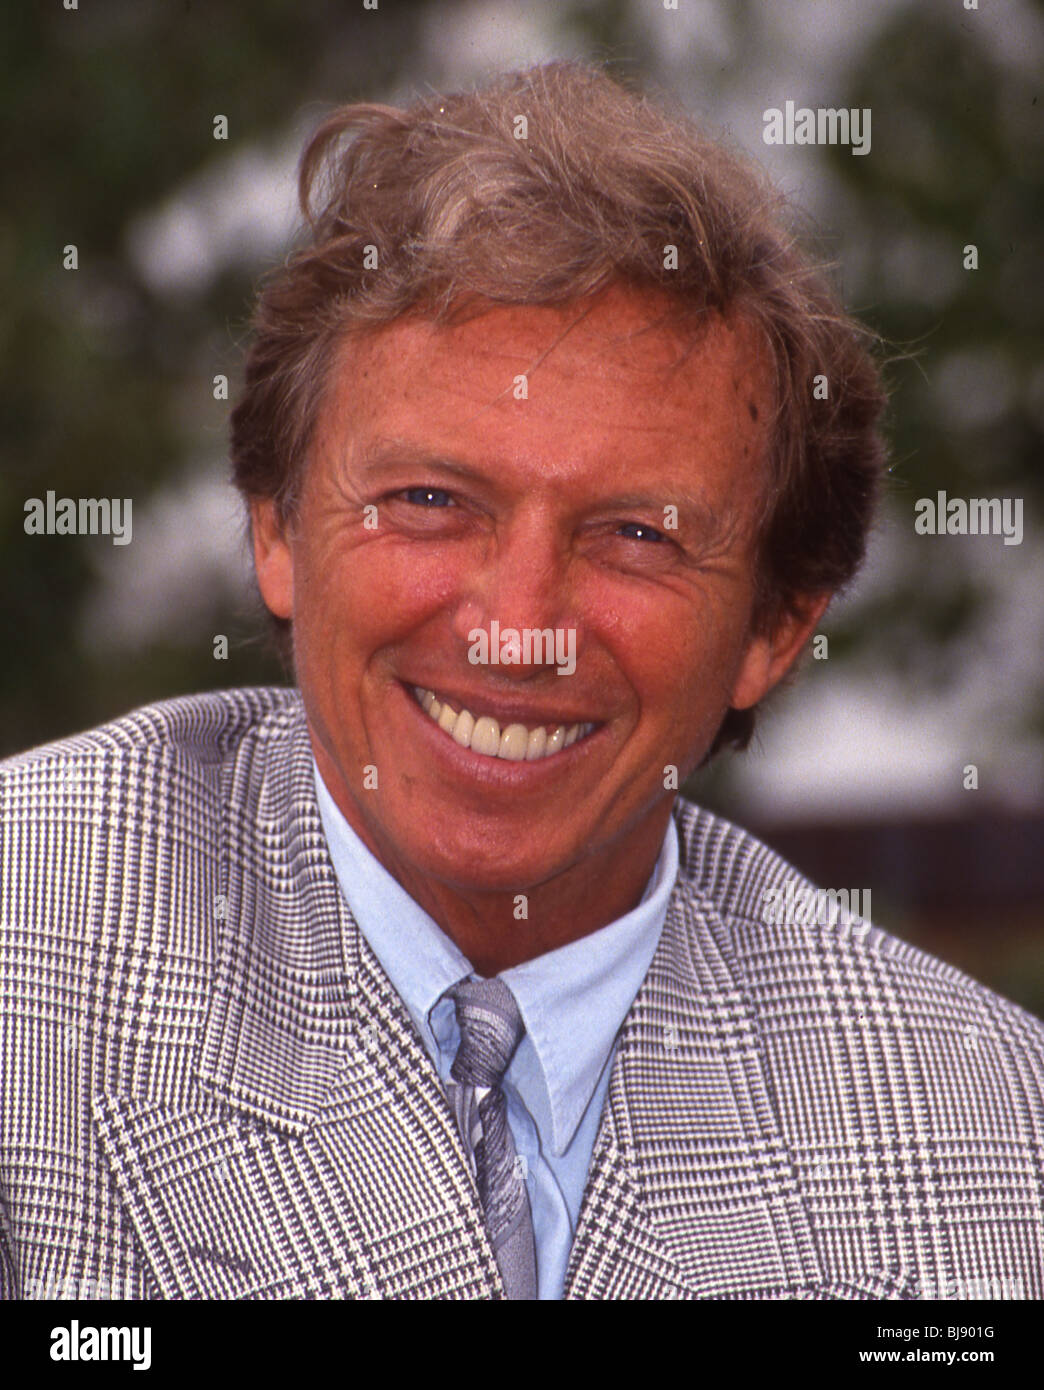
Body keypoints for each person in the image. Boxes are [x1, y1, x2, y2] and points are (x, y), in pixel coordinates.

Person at [2, 61, 1042, 1302]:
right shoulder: (33, 958)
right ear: (276, 529)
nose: (519, 630)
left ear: (777, 623)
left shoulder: (986, 1146)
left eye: (638, 536)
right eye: (431, 502)